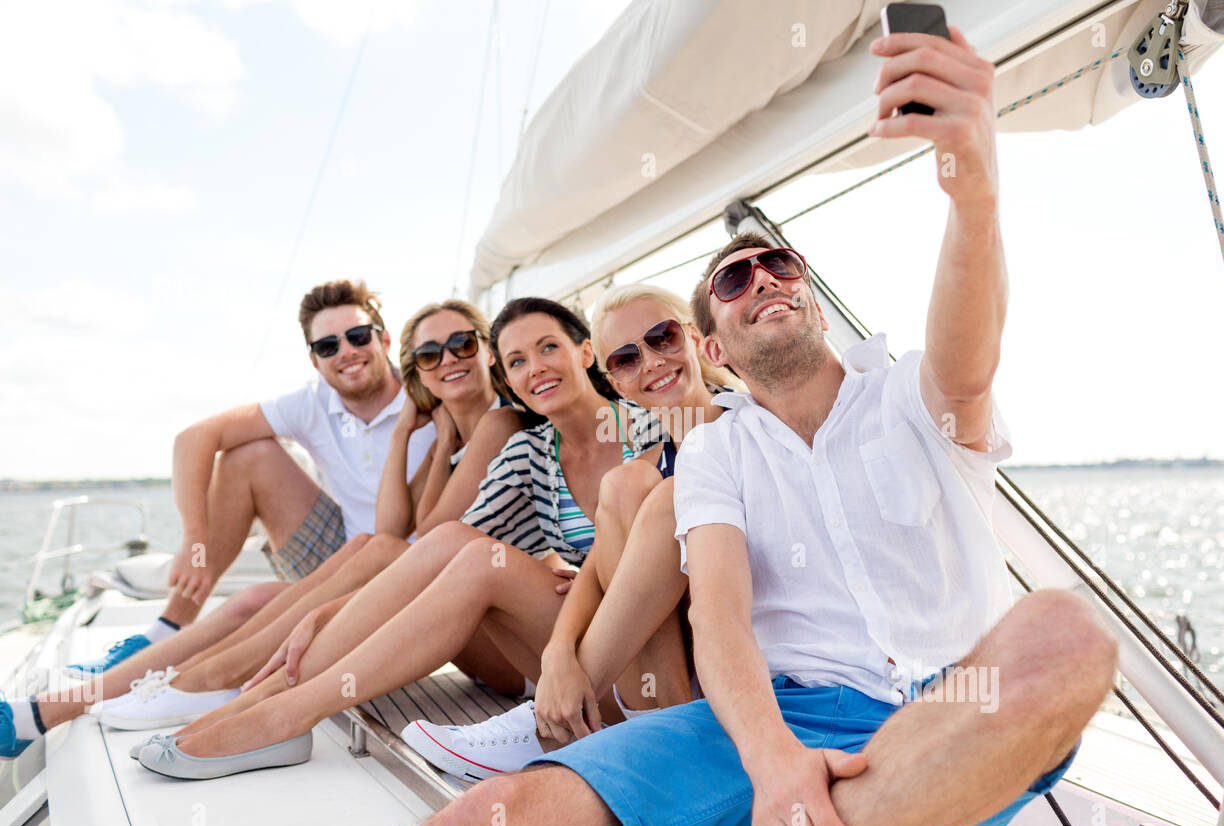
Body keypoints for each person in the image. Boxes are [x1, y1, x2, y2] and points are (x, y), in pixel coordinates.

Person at [380, 26, 1117, 826]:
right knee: (481, 824)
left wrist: (972, 191)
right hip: (776, 715)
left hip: (951, 704)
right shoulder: (714, 452)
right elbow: (722, 618)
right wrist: (773, 764)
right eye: (733, 280)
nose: (763, 278)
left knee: (1066, 634)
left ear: (816, 303)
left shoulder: (912, 395)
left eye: (780, 266)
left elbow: (968, 359)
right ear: (717, 349)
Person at [132, 297, 667, 778]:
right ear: (506, 374)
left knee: (477, 559)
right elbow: (434, 545)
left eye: (548, 347)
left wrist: (568, 614)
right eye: (519, 361)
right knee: (461, 545)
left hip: (654, 666)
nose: (536, 368)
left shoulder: (647, 423)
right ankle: (253, 707)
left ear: (586, 353)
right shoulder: (530, 454)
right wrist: (326, 613)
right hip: (576, 658)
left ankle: (281, 715)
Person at [0, 299, 519, 755]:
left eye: (462, 345)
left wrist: (327, 610)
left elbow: (422, 541)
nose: (448, 360)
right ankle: (71, 700)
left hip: (466, 615)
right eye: (431, 356)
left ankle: (210, 679)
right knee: (263, 594)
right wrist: (420, 433)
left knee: (375, 549)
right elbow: (411, 527)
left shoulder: (492, 422)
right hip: (402, 575)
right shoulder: (442, 426)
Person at [400, 283, 736, 778]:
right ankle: (656, 731)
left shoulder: (747, 425)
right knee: (624, 486)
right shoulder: (642, 462)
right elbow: (597, 567)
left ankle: (552, 725)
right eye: (624, 358)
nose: (650, 362)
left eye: (662, 338)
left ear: (696, 338)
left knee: (645, 491)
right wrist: (558, 651)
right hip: (680, 666)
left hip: (747, 654)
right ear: (616, 381)